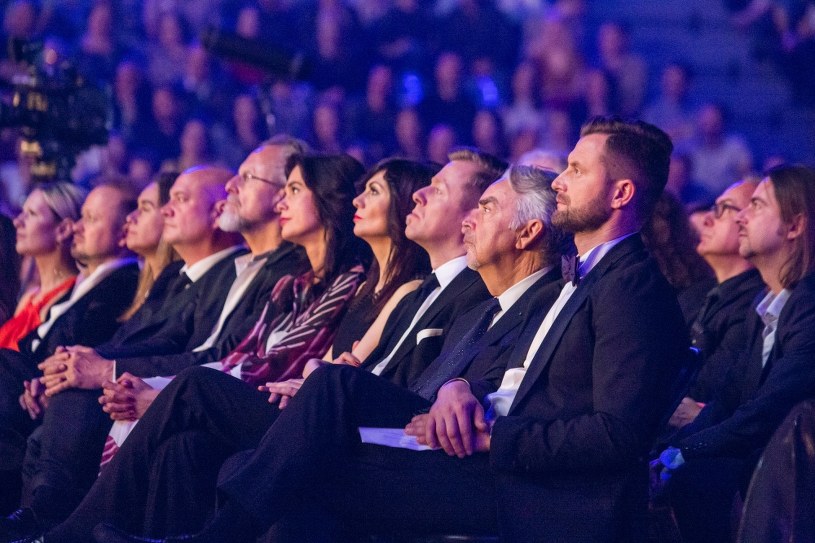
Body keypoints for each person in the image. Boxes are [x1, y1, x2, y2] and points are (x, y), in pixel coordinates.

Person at [98, 116, 688, 543]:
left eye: (576, 171)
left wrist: (491, 437)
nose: (559, 180)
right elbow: (516, 376)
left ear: (621, 193)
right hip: (475, 452)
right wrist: (460, 390)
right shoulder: (583, 277)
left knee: (294, 468)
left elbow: (615, 435)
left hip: (525, 492)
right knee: (327, 395)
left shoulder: (631, 287)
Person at [45, 149, 509, 542]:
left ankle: (74, 534)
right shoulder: (415, 292)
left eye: (438, 189)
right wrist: (317, 383)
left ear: (471, 215)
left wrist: (328, 383)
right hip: (329, 413)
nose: (422, 193)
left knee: (194, 388)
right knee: (186, 446)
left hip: (384, 437)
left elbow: (432, 379)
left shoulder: (468, 290)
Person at [1, 167, 245, 533]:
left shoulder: (220, 274)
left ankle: (48, 524)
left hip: (166, 390)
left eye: (178, 200)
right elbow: (132, 340)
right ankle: (36, 525)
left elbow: (202, 349)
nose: (165, 211)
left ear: (217, 212)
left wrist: (101, 367)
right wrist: (79, 365)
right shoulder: (175, 278)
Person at [655, 164, 815, 543]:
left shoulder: (808, 308)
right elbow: (727, 399)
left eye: (757, 206)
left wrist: (682, 455)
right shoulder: (766, 305)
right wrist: (666, 454)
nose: (742, 217)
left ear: (795, 226)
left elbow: (765, 411)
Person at [0, 182, 140, 526]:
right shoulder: (80, 289)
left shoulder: (120, 284)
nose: (77, 226)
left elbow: (87, 347)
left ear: (123, 232)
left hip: (48, 400)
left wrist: (45, 379)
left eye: (90, 219)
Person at [667, 180, 765, 429]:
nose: (708, 219)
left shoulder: (756, 306)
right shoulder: (696, 293)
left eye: (724, 209)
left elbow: (706, 389)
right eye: (713, 207)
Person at [0, 184, 86, 351]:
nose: (17, 222)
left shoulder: (75, 295)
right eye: (22, 212)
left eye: (31, 214)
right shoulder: (29, 298)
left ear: (63, 229)